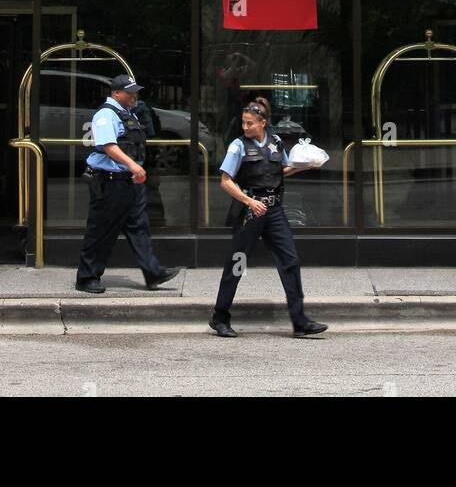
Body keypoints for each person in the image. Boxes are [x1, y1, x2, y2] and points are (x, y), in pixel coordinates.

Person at [209, 100, 327, 339]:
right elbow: (226, 181)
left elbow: (281, 170)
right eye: (243, 122)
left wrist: (304, 166)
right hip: (251, 210)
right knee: (237, 262)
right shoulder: (237, 146)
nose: (245, 127)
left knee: (290, 261)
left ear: (262, 123)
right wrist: (249, 201)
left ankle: (300, 320)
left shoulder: (275, 142)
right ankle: (220, 317)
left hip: (274, 211)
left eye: (250, 123)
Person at [75, 73, 181, 294]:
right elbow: (108, 146)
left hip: (128, 182)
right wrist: (133, 165)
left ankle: (153, 273)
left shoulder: (128, 113)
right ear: (116, 93)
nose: (134, 95)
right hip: (109, 181)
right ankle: (87, 277)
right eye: (130, 92)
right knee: (101, 229)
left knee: (139, 227)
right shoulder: (106, 114)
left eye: (135, 92)